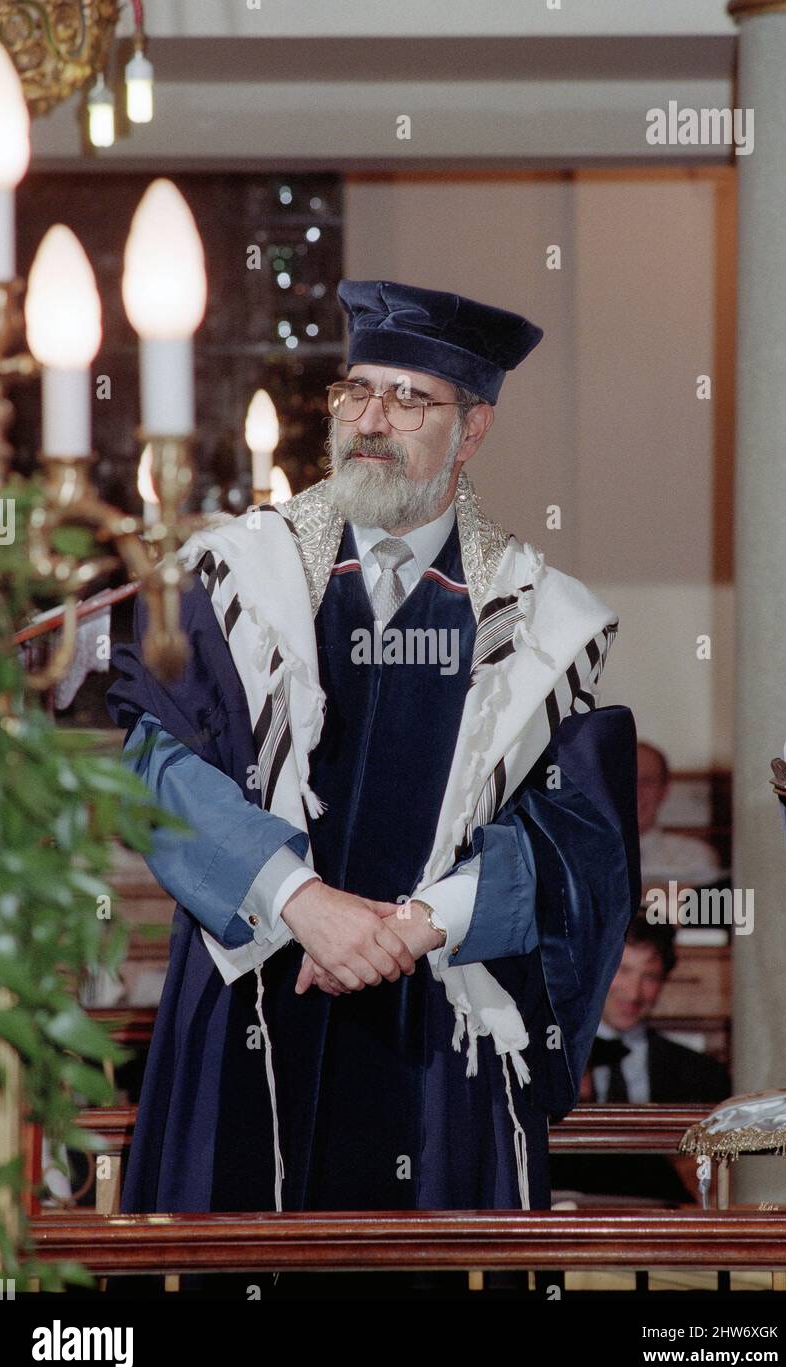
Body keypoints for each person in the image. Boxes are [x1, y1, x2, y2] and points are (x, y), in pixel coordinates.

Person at [105, 279, 640, 1289]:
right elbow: (156, 765)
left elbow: (576, 833)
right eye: (357, 391)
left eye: (410, 398)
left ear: (472, 429)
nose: (373, 419)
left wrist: (414, 924)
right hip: (251, 1007)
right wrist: (302, 902)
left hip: (439, 1028)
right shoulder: (231, 583)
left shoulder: (540, 620)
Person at [549, 914, 730, 1204]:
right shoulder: (554, 1060)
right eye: (622, 971)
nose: (633, 993)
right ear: (595, 970)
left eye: (649, 976)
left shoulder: (703, 1075)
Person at [637, 741, 721, 888]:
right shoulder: (587, 859)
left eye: (647, 782)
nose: (636, 792)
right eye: (626, 781)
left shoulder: (695, 858)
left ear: (664, 790)